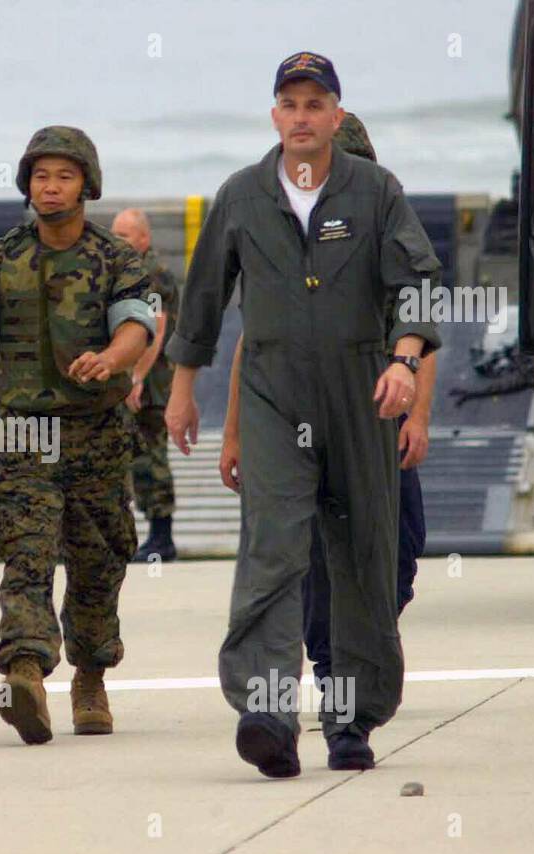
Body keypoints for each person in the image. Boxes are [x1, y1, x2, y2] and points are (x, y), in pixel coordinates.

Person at [165, 53, 442, 778]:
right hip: (273, 396)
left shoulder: (377, 192)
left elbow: (415, 280)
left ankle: (351, 720)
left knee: (363, 557)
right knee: (273, 550)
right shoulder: (242, 195)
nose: (301, 117)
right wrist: (183, 388)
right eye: (290, 103)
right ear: (274, 115)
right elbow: (203, 299)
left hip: (361, 393)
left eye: (315, 104)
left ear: (337, 116)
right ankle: (268, 715)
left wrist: (404, 362)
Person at [0, 126, 155, 744]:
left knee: (99, 562)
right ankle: (25, 672)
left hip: (96, 432)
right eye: (41, 175)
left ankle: (90, 676)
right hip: (23, 435)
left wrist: (113, 359)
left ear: (86, 186)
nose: (50, 187)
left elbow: (136, 327)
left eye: (64, 176)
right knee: (27, 552)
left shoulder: (116, 260)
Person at [219, 112, 437, 691]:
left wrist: (417, 418)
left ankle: (361, 650)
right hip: (300, 428)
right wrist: (235, 435)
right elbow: (253, 345)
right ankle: (335, 670)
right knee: (314, 558)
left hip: (378, 427)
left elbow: (419, 328)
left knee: (399, 555)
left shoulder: (386, 221)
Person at [111, 208, 180, 562]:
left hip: (151, 383)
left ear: (144, 239)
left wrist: (137, 376)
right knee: (130, 457)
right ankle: (144, 535)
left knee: (151, 456)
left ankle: (162, 536)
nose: (117, 240)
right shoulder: (124, 272)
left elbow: (157, 327)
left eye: (124, 235)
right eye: (115, 234)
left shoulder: (153, 275)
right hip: (130, 380)